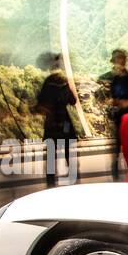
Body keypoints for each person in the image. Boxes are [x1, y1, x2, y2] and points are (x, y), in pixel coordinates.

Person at [34, 54, 78, 187]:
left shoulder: (48, 83)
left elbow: (41, 104)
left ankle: (51, 184)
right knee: (69, 154)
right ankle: (73, 181)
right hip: (65, 122)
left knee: (51, 157)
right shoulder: (65, 82)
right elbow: (73, 100)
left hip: (52, 123)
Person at [98, 49, 128, 181]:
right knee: (116, 151)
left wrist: (126, 103)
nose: (119, 62)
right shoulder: (113, 79)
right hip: (119, 119)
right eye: (117, 59)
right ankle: (117, 179)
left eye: (121, 59)